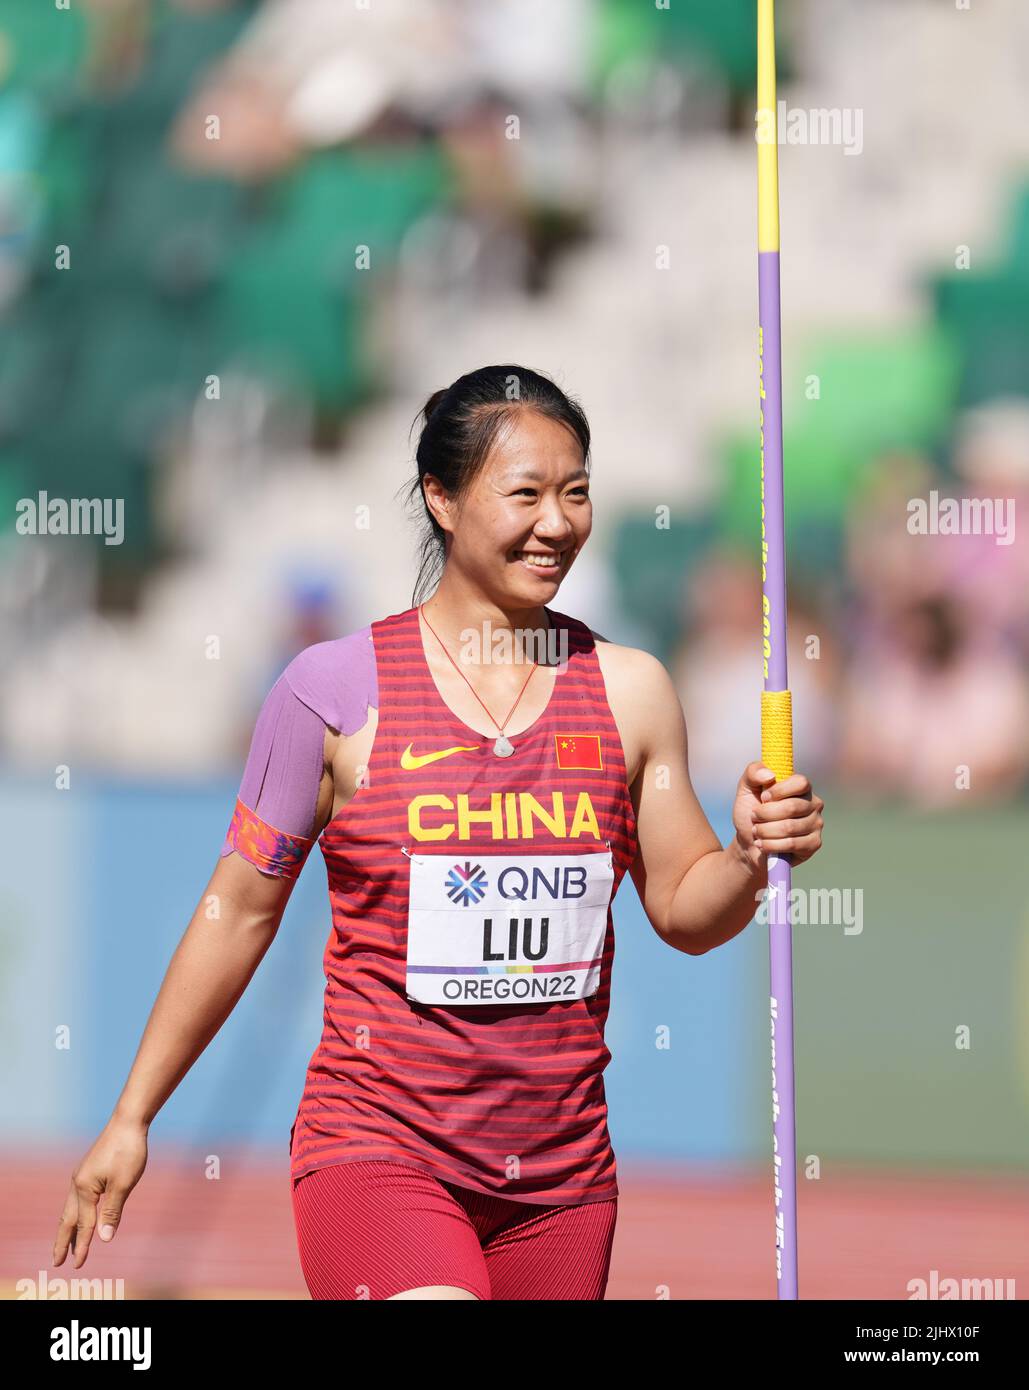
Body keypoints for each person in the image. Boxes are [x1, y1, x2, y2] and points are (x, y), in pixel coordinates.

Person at [52, 364, 825, 1301]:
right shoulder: (331, 695)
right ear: (443, 498)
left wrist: (747, 857)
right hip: (377, 1151)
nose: (556, 523)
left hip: (561, 1180)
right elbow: (240, 911)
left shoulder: (631, 692)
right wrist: (134, 1114)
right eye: (526, 493)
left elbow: (684, 910)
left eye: (576, 493)